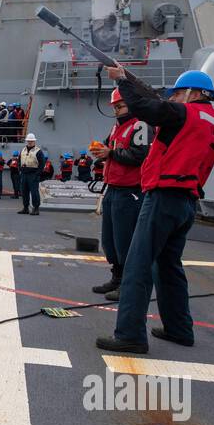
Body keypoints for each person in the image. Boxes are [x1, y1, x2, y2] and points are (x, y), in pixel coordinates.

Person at [95, 69, 214, 353]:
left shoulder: (185, 114)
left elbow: (144, 108)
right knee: (168, 267)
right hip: (187, 202)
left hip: (163, 197)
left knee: (138, 265)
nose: (175, 99)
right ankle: (179, 328)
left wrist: (121, 80)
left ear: (196, 93)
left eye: (179, 93)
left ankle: (129, 334)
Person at [90, 88, 150, 302]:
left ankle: (127, 283)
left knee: (125, 239)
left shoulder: (140, 125)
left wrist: (111, 153)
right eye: (115, 107)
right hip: (113, 188)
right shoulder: (117, 127)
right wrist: (101, 152)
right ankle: (117, 277)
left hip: (130, 191)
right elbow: (110, 147)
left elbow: (139, 155)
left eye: (120, 106)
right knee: (110, 239)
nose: (116, 111)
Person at [17, 133, 49, 216]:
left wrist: (37, 174)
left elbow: (42, 164)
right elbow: (19, 161)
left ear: (34, 141)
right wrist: (20, 170)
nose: (30, 142)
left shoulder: (38, 151)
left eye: (31, 141)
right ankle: (25, 208)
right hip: (24, 174)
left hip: (33, 174)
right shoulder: (23, 150)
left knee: (34, 192)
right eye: (28, 141)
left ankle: (36, 208)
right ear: (26, 141)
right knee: (24, 191)